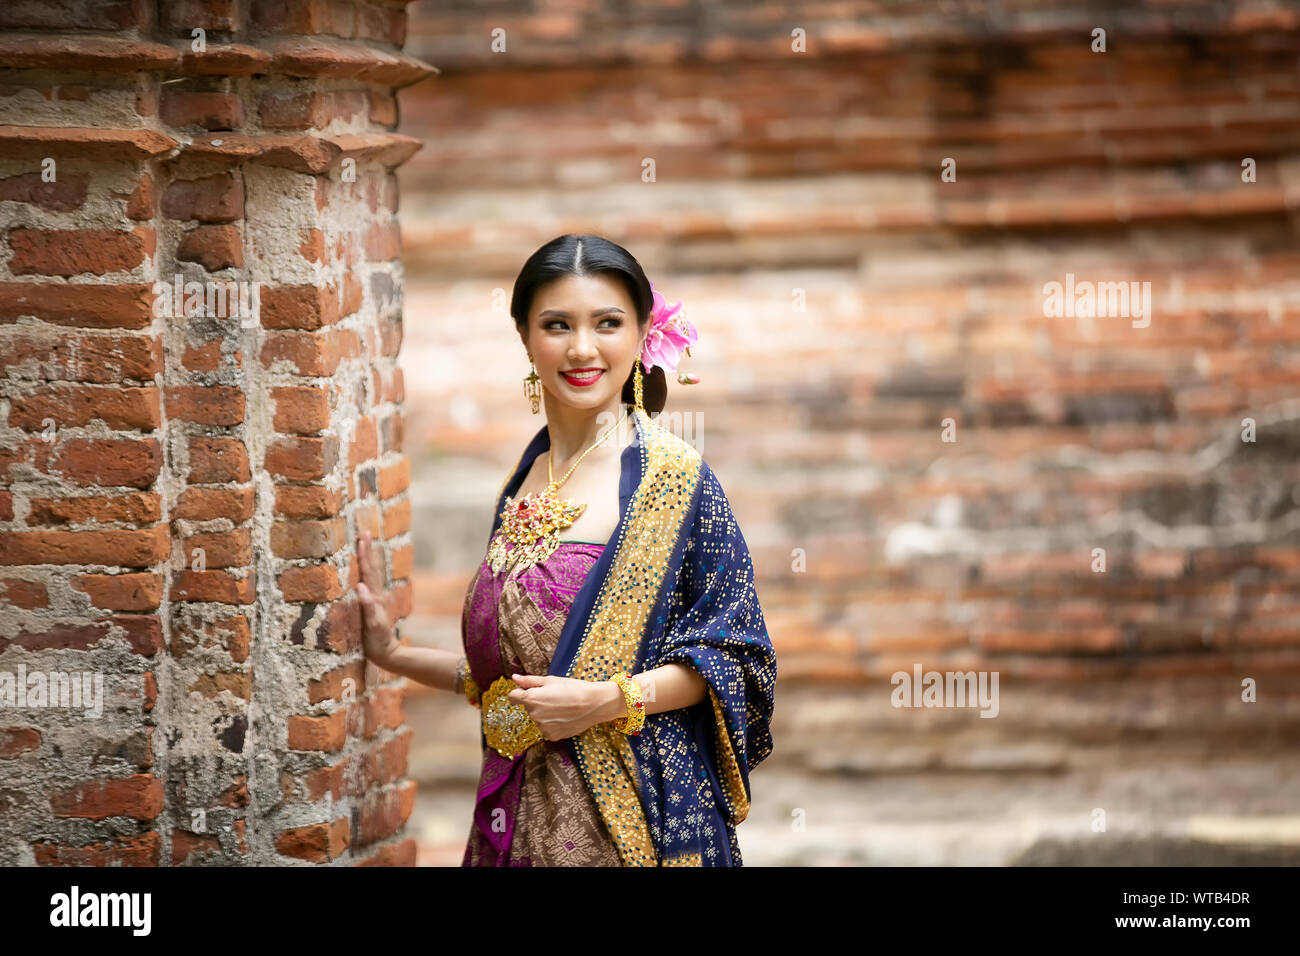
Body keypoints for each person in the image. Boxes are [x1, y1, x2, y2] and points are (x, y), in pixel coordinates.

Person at [356, 234, 777, 866]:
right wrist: (392, 654)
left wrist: (607, 701)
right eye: (557, 325)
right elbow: (510, 679)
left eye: (607, 323)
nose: (582, 348)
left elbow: (736, 659)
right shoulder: (524, 476)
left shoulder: (674, 482)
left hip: (632, 822)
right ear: (525, 337)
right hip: (516, 816)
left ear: (642, 334)